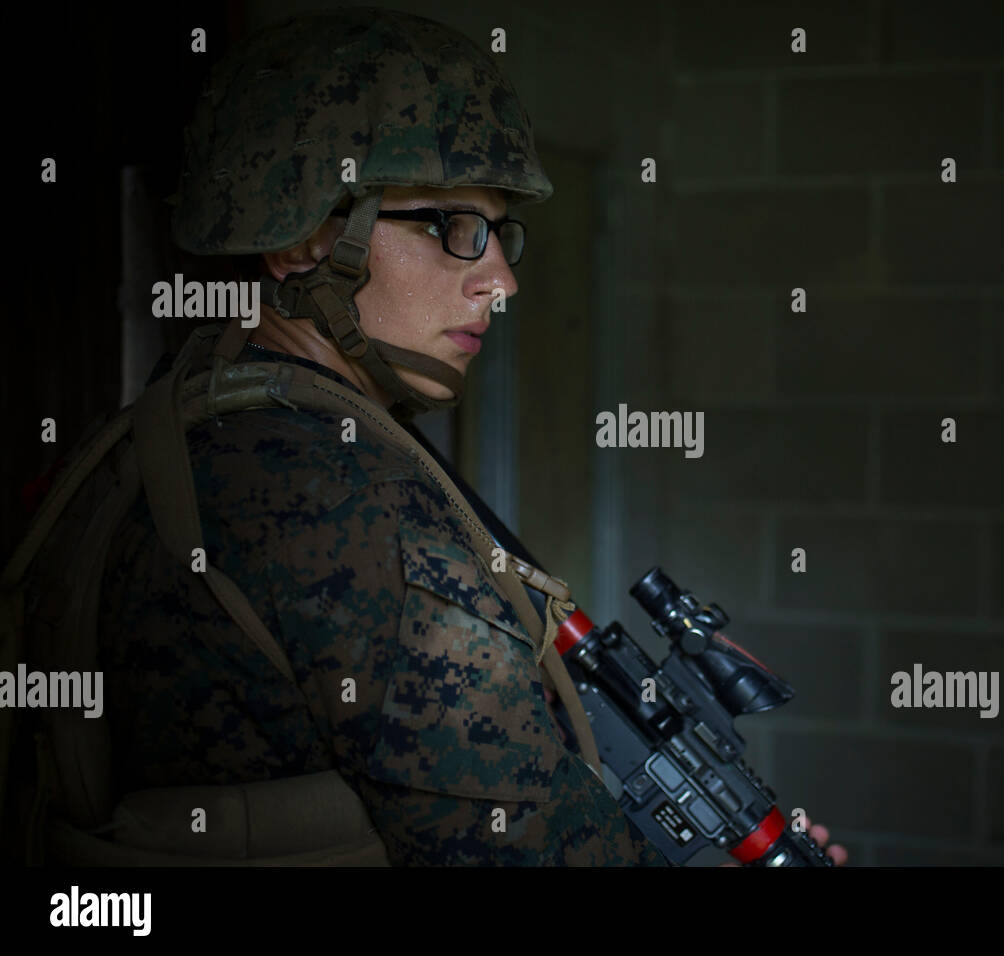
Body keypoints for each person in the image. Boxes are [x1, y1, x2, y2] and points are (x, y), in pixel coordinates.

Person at [6, 6, 846, 867]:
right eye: (453, 227)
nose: (501, 280)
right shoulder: (355, 505)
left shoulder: (152, 436)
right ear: (305, 241)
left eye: (500, 233)